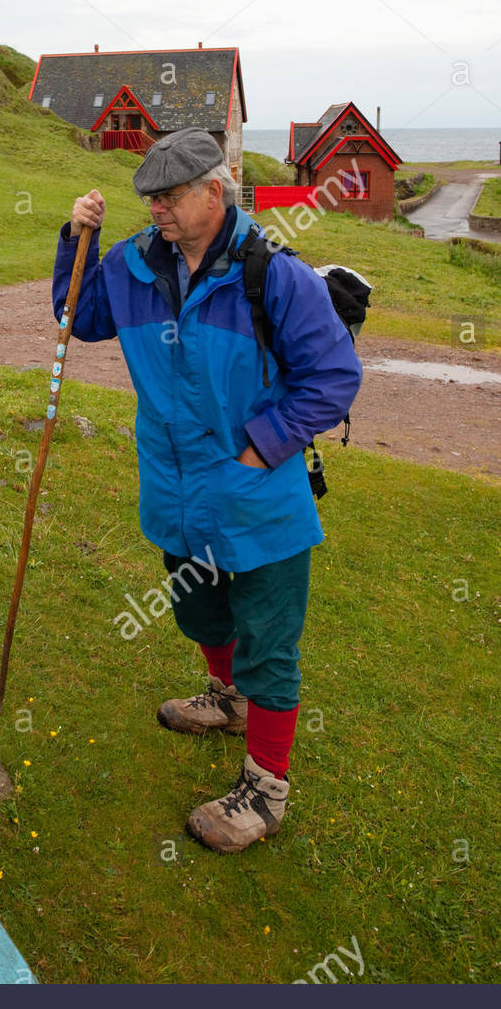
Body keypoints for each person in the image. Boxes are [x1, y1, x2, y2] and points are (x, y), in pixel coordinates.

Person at [52, 127, 363, 853]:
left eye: (168, 196)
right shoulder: (130, 266)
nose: (155, 208)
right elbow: (78, 317)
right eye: (148, 197)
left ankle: (265, 790)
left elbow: (333, 380)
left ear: (212, 192)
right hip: (174, 493)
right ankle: (224, 701)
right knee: (201, 612)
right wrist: (77, 239)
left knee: (268, 645)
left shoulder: (274, 277)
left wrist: (262, 449)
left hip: (259, 504)